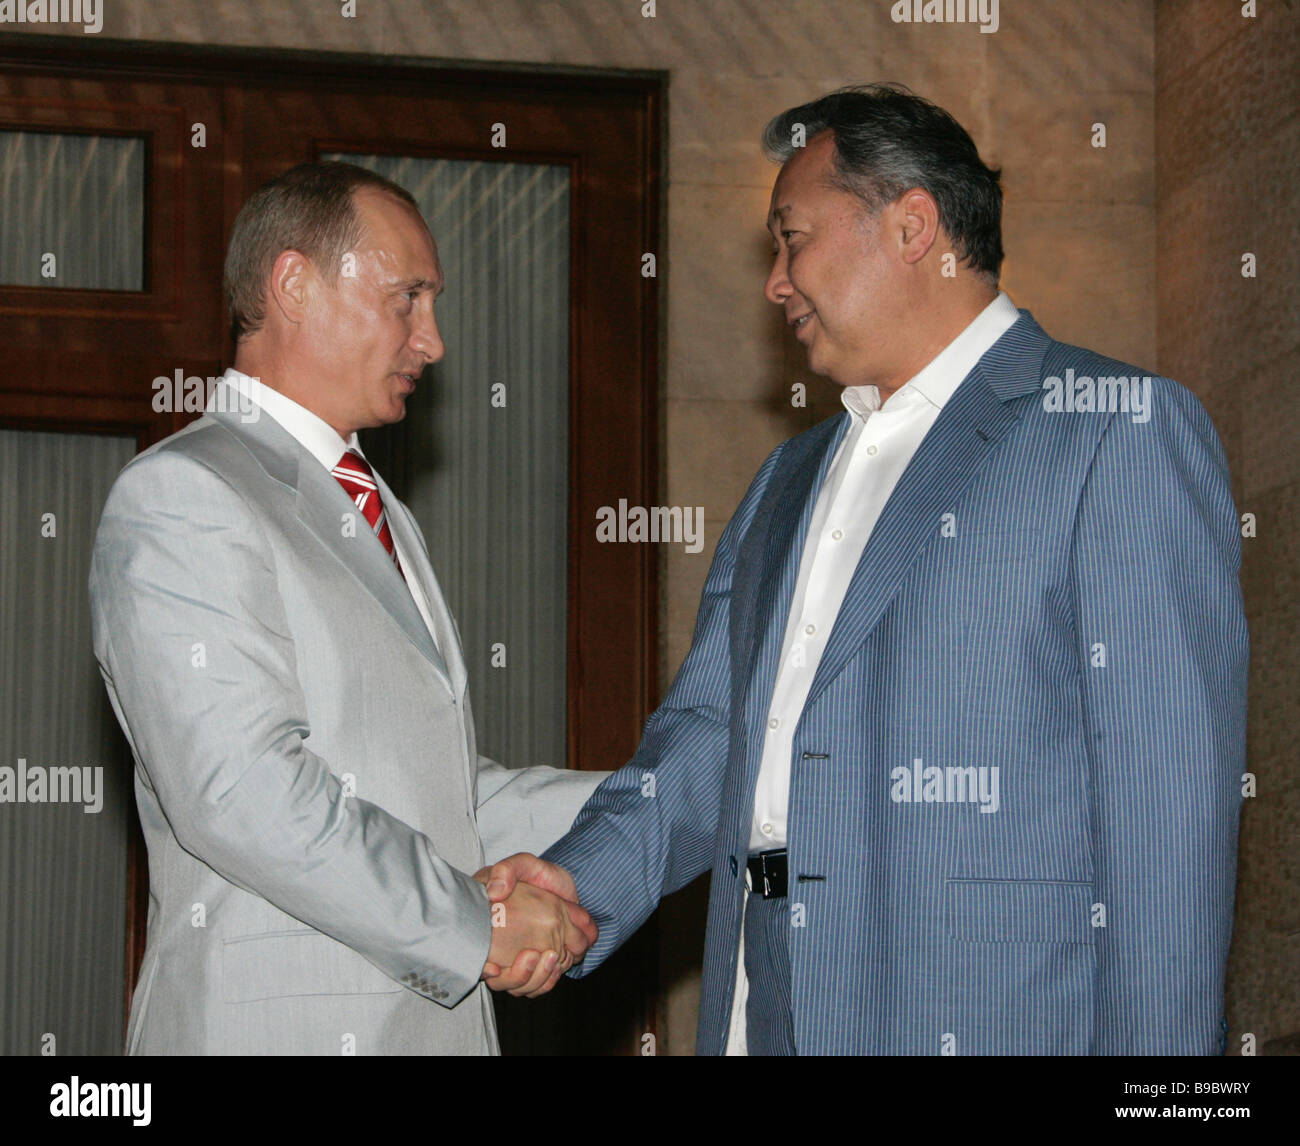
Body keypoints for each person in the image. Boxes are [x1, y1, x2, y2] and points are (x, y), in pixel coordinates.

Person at [484, 84, 1249, 1055]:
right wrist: (579, 882)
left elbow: (1167, 827)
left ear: (911, 226)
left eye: (791, 236)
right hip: (765, 1001)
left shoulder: (1113, 432)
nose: (773, 281)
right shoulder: (785, 478)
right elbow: (711, 731)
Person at [89, 161, 603, 1055]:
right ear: (294, 283)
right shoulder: (183, 492)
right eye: (408, 297)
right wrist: (474, 926)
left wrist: (669, 799)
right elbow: (242, 791)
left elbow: (436, 797)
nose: (434, 341)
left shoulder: (375, 506)